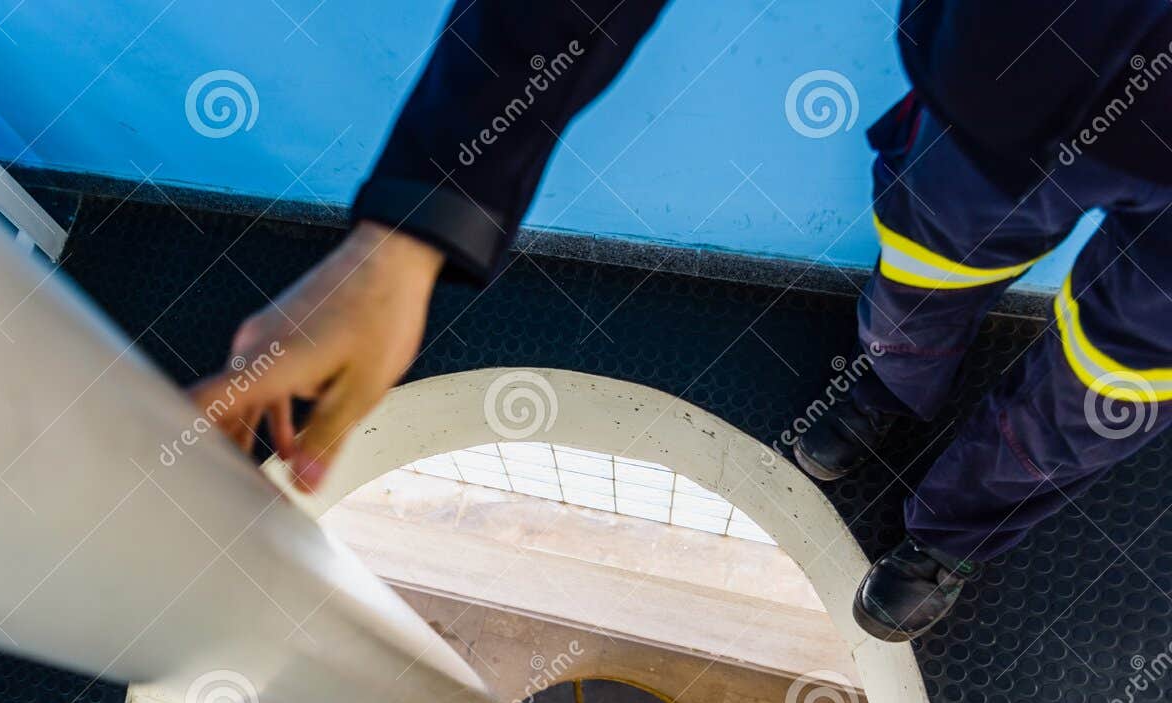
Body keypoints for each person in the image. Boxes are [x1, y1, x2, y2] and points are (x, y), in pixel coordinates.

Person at [193, 1, 1172, 642]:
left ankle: (952, 529)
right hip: (997, 89)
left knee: (1110, 384)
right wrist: (412, 229)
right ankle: (889, 382)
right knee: (926, 266)